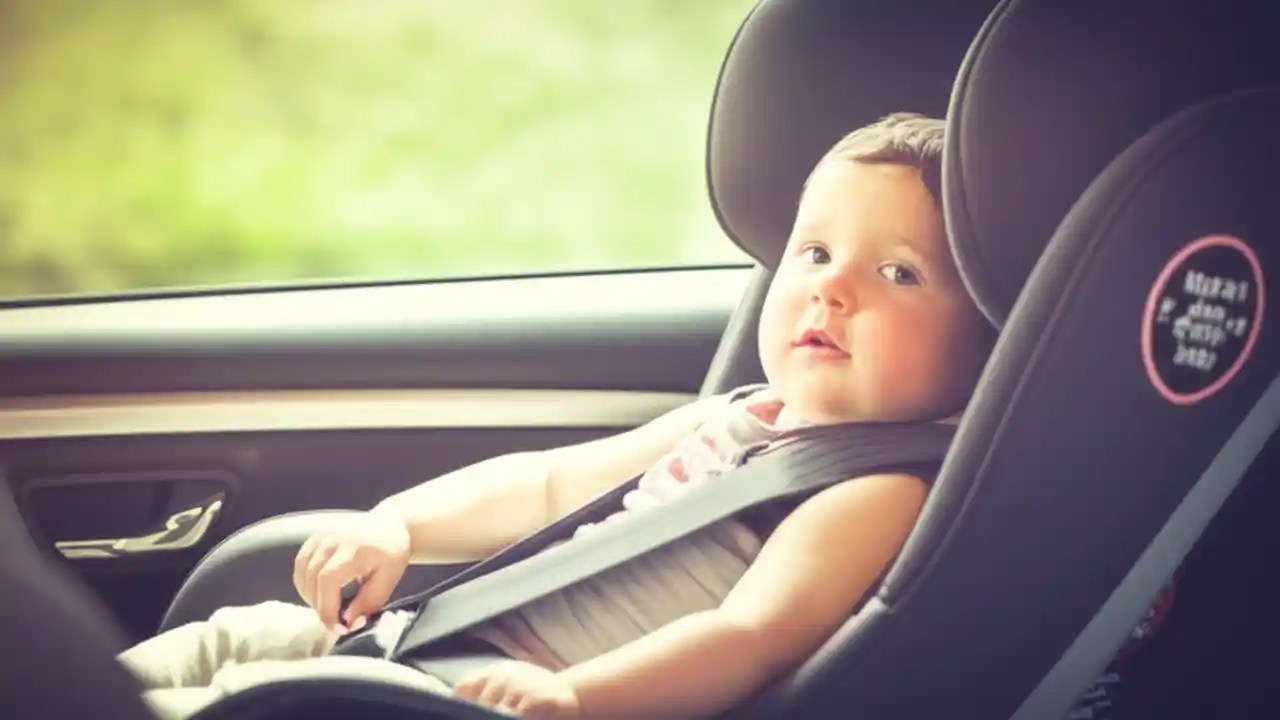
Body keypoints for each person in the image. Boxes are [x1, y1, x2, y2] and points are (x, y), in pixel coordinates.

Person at [118, 112, 997, 719]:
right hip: (423, 638)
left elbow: (751, 635)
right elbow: (547, 484)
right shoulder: (737, 414)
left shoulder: (875, 489)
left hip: (499, 697)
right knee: (225, 644)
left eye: (897, 273)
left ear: (985, 340)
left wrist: (581, 699)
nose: (831, 289)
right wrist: (398, 526)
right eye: (814, 252)